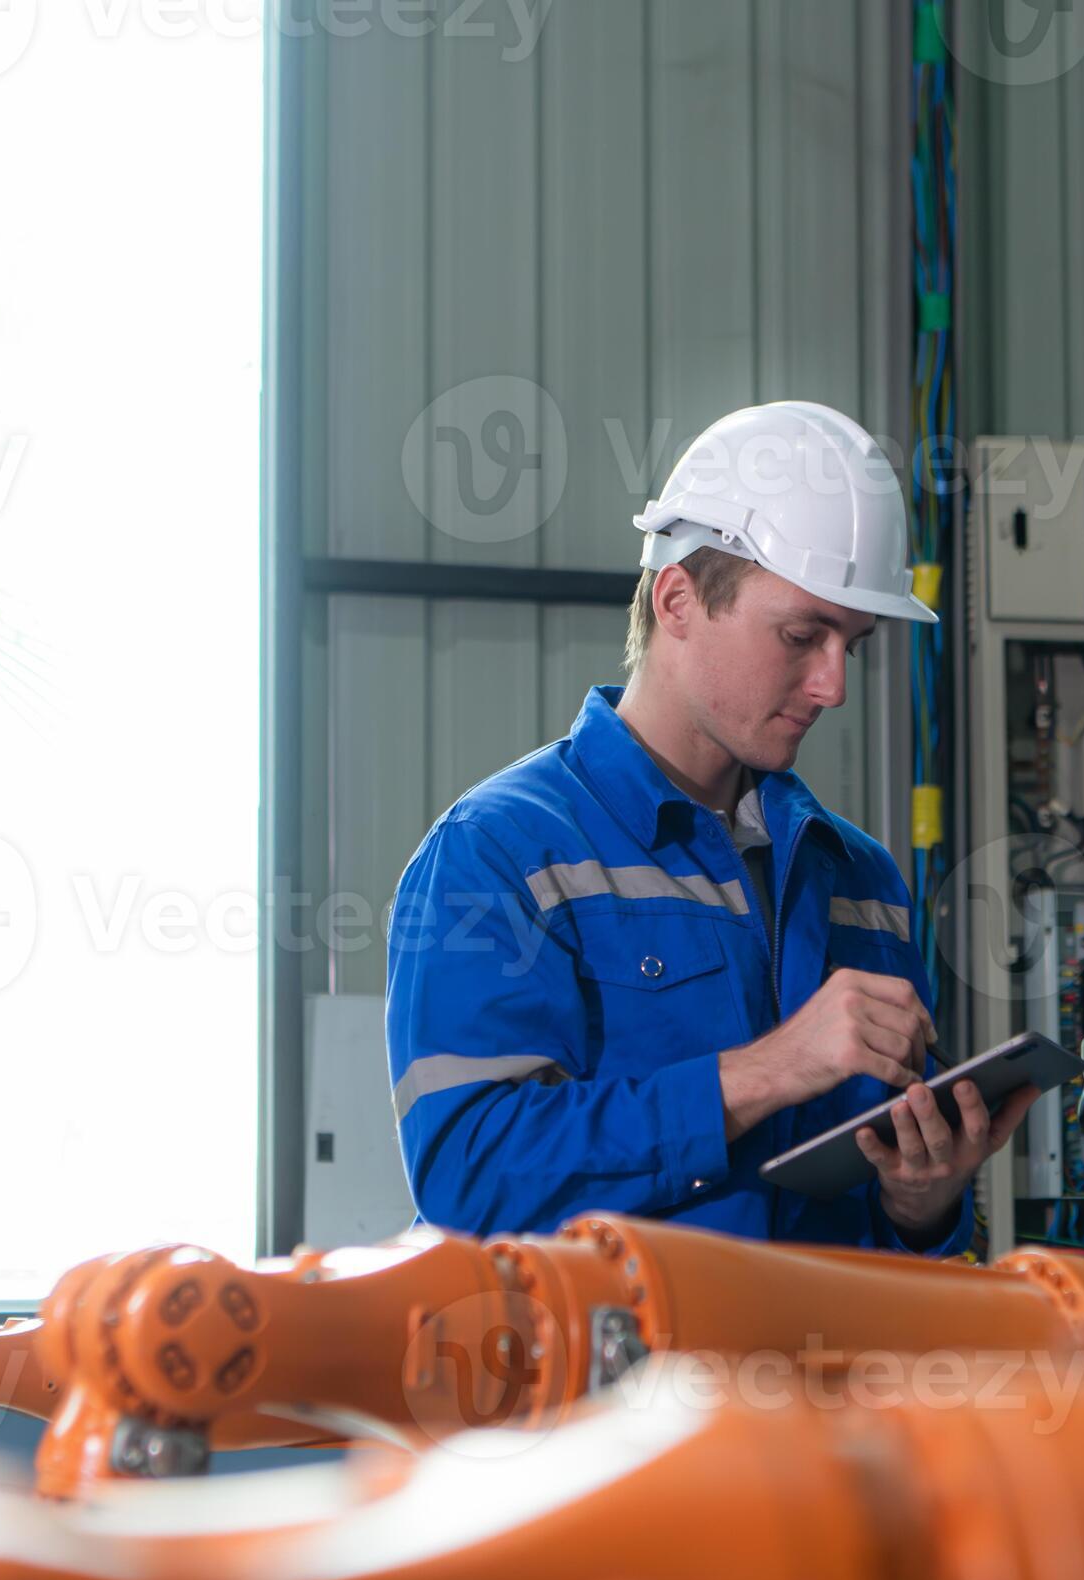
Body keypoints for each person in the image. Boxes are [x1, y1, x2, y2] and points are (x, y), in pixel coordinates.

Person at [387, 401, 1032, 1255]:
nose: (833, 685)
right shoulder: (500, 855)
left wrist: (925, 1205)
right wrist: (766, 1073)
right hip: (614, 1389)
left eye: (854, 644)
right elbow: (469, 1176)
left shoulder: (860, 881)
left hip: (834, 1384)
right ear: (679, 599)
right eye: (803, 635)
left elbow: (894, 1235)